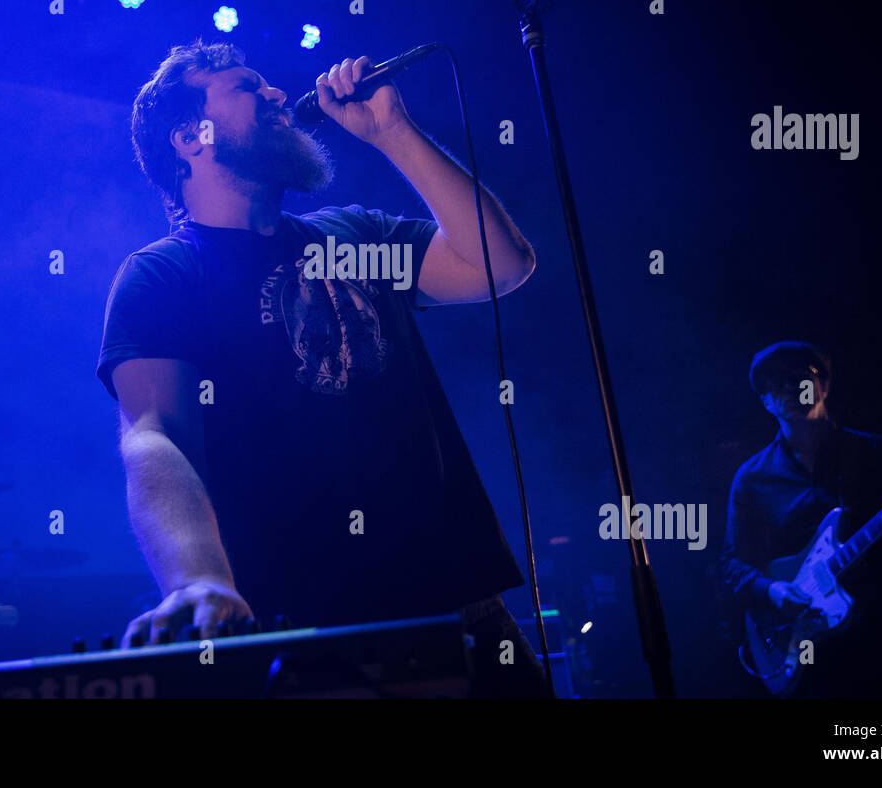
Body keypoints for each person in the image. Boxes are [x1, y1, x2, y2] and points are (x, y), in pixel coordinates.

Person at [97, 40, 549, 696]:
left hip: (457, 608)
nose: (279, 94)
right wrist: (196, 579)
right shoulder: (164, 275)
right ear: (190, 137)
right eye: (248, 86)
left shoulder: (354, 237)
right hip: (302, 633)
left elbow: (500, 265)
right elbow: (154, 436)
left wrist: (393, 133)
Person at [719, 341, 882, 697]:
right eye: (775, 382)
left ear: (825, 385)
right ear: (765, 401)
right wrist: (773, 591)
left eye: (799, 375)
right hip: (821, 653)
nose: (788, 387)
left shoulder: (880, 453)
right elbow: (732, 562)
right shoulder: (752, 478)